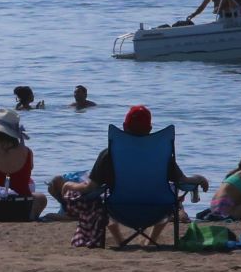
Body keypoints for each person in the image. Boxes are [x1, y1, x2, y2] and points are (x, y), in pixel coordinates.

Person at [56, 105, 206, 246]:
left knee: (99, 196)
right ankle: (151, 240)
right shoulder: (162, 154)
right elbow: (183, 181)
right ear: (150, 129)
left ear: (124, 126)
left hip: (119, 209)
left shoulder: (109, 154)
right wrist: (199, 178)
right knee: (172, 192)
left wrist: (69, 185)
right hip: (158, 210)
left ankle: (120, 240)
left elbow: (90, 187)